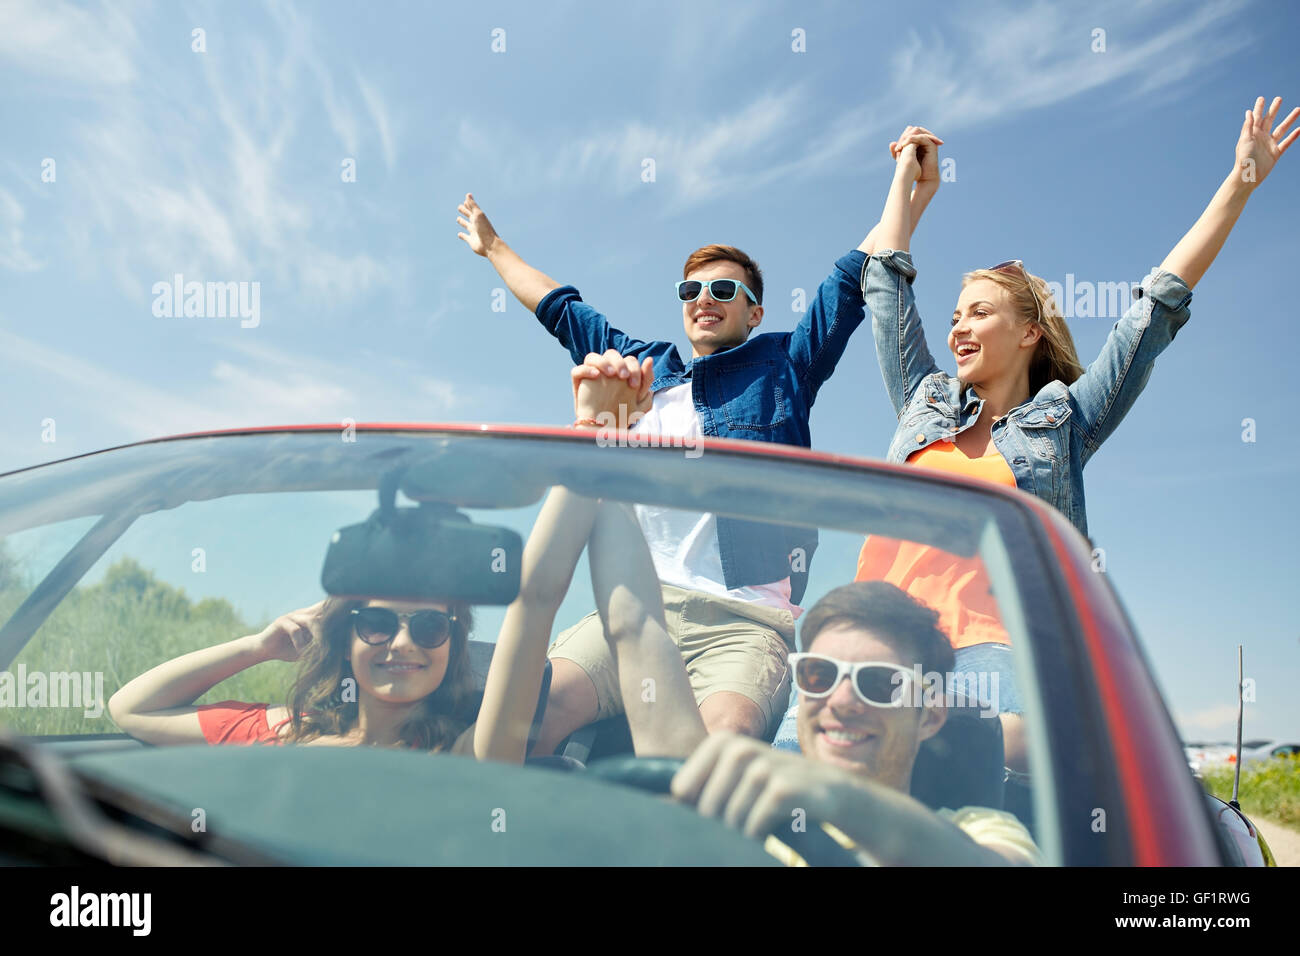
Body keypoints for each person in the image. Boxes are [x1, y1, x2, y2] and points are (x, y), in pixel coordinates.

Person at [456, 168, 941, 745]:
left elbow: (851, 276)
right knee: (526, 721)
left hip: (743, 622)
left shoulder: (784, 365)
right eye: (691, 291)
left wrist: (906, 185)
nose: (704, 299)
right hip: (635, 607)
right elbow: (559, 308)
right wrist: (492, 247)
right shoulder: (640, 367)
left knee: (718, 751)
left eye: (723, 290)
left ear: (754, 311)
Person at [108, 485, 606, 762]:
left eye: (430, 627)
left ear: (453, 646)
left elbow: (536, 600)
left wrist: (596, 428)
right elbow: (132, 710)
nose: (403, 642)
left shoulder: (459, 758)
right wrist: (257, 647)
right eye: (376, 624)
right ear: (346, 640)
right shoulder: (284, 732)